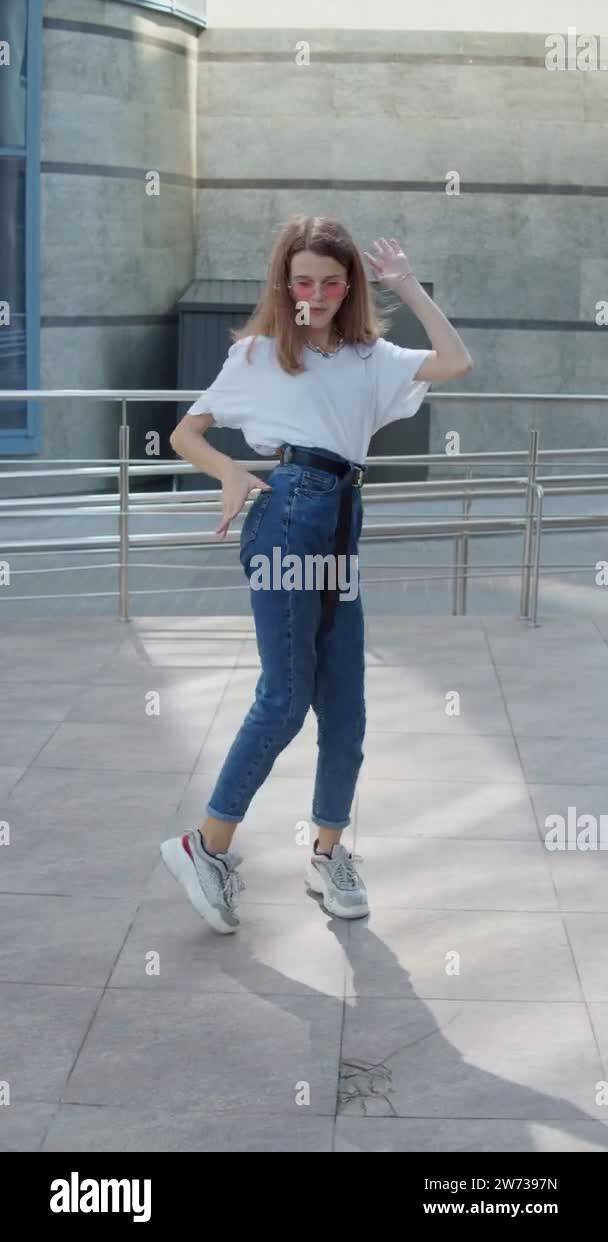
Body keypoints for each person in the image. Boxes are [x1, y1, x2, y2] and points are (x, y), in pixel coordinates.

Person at [161, 216, 473, 934]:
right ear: (285, 283)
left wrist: (410, 288)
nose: (318, 292)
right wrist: (230, 472)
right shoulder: (260, 353)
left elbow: (456, 362)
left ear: (350, 285)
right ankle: (205, 846)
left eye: (333, 281)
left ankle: (328, 854)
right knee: (285, 696)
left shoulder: (371, 357)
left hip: (340, 519)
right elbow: (187, 432)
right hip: (287, 513)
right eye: (304, 280)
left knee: (347, 707)